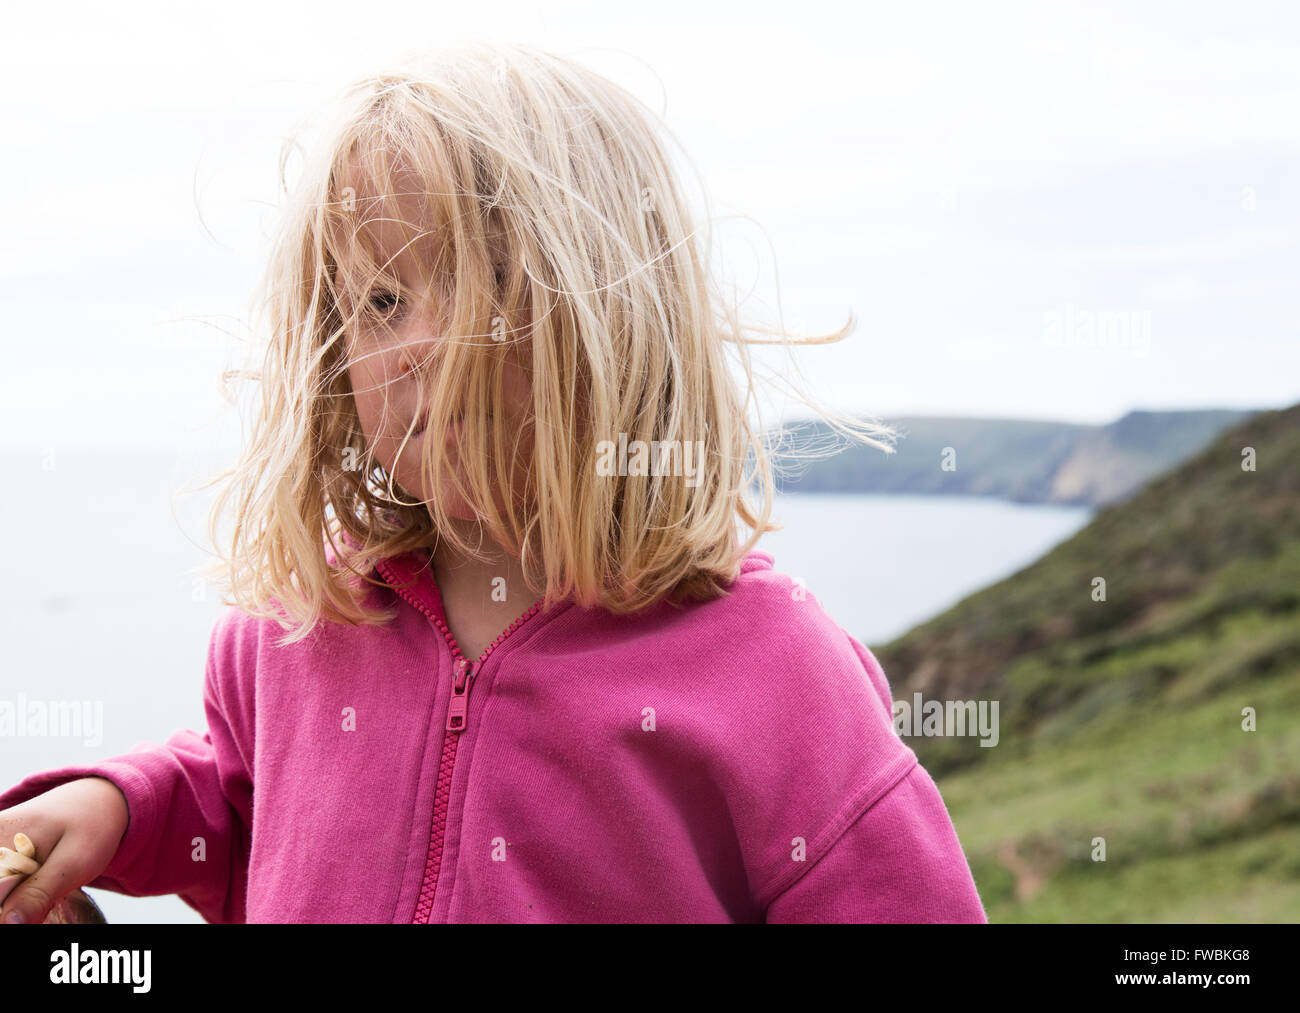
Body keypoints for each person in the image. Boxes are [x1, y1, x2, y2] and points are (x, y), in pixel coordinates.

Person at [0, 41, 986, 924]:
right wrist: (117, 808)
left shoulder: (775, 673)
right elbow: (241, 802)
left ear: (625, 317)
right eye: (380, 300)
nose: (424, 345)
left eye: (495, 283)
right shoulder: (292, 631)